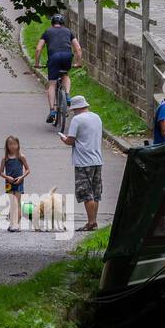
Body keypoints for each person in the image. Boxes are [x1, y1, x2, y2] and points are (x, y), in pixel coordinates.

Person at [60, 95, 103, 232]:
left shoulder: (77, 120)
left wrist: (63, 138)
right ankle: (94, 221)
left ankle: (90, 222)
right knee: (96, 193)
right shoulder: (97, 117)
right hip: (97, 159)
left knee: (86, 193)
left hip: (83, 161)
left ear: (76, 108)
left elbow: (71, 140)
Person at [34, 14, 81, 124]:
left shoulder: (47, 32)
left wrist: (37, 63)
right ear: (63, 23)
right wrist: (78, 62)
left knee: (52, 84)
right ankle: (68, 96)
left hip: (54, 57)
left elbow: (38, 49)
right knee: (65, 75)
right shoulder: (69, 32)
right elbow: (78, 48)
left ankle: (52, 111)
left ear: (52, 23)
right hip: (67, 56)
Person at [0, 136, 29, 233]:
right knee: (12, 204)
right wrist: (7, 177)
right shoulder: (5, 158)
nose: (12, 146)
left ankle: (17, 225)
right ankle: (11, 224)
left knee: (17, 203)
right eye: (10, 144)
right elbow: (1, 172)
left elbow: (28, 170)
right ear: (7, 146)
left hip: (19, 181)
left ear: (18, 145)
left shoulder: (21, 156)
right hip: (9, 183)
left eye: (14, 144)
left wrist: (21, 177)